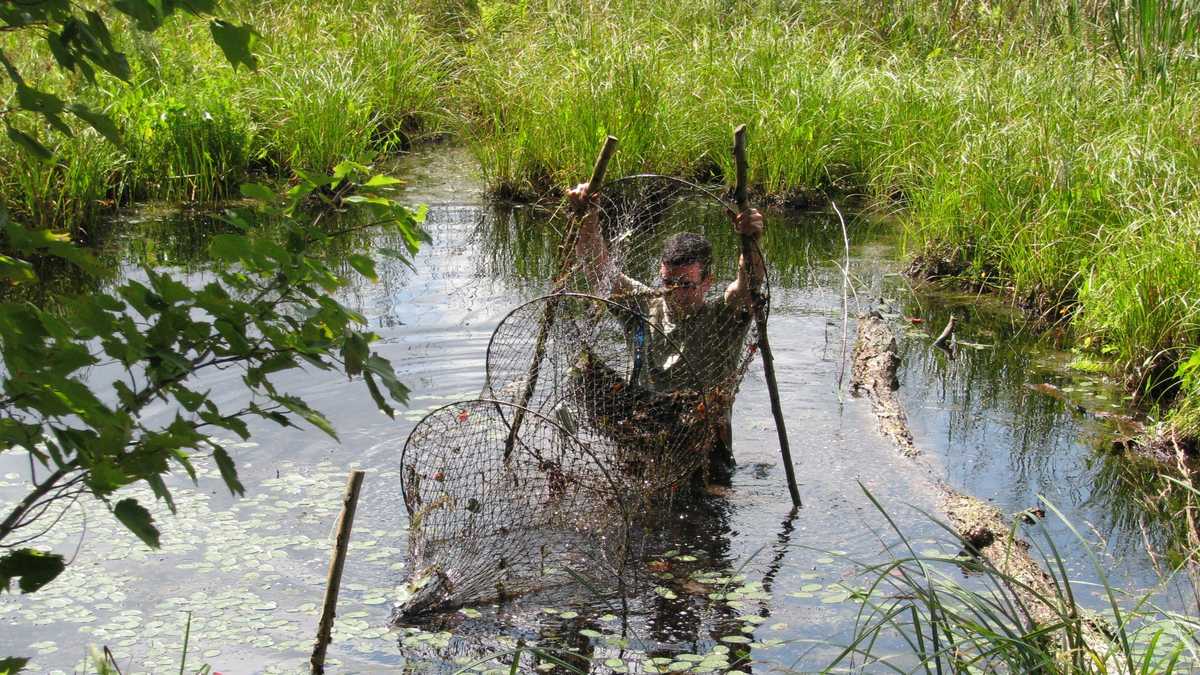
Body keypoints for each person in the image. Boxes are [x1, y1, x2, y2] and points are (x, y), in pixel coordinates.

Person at [566, 182, 765, 485]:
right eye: (667, 282)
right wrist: (588, 216)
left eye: (685, 285)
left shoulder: (724, 318)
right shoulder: (643, 307)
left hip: (703, 456)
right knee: (583, 370)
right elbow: (598, 270)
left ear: (708, 281)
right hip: (644, 444)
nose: (673, 293)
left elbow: (747, 284)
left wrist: (750, 240)